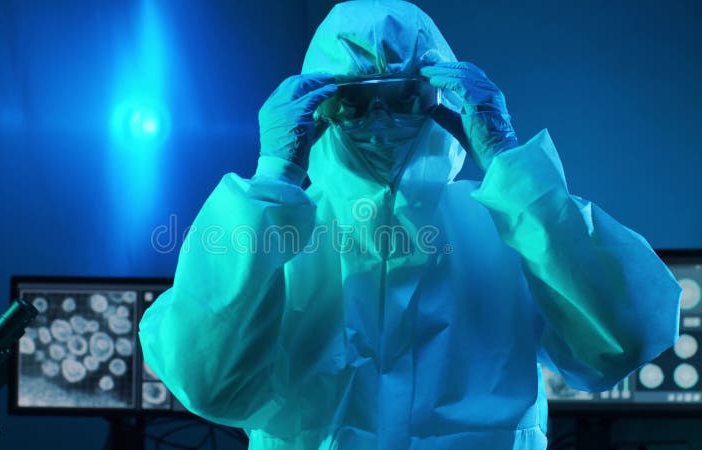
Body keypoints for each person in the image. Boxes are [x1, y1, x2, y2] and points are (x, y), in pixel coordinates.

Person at [139, 1, 681, 449]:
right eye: (354, 102)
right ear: (320, 108)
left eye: (402, 98)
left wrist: (510, 169)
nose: (379, 125)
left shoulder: (508, 224)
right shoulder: (277, 233)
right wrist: (274, 180)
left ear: (441, 98)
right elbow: (208, 384)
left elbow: (624, 340)